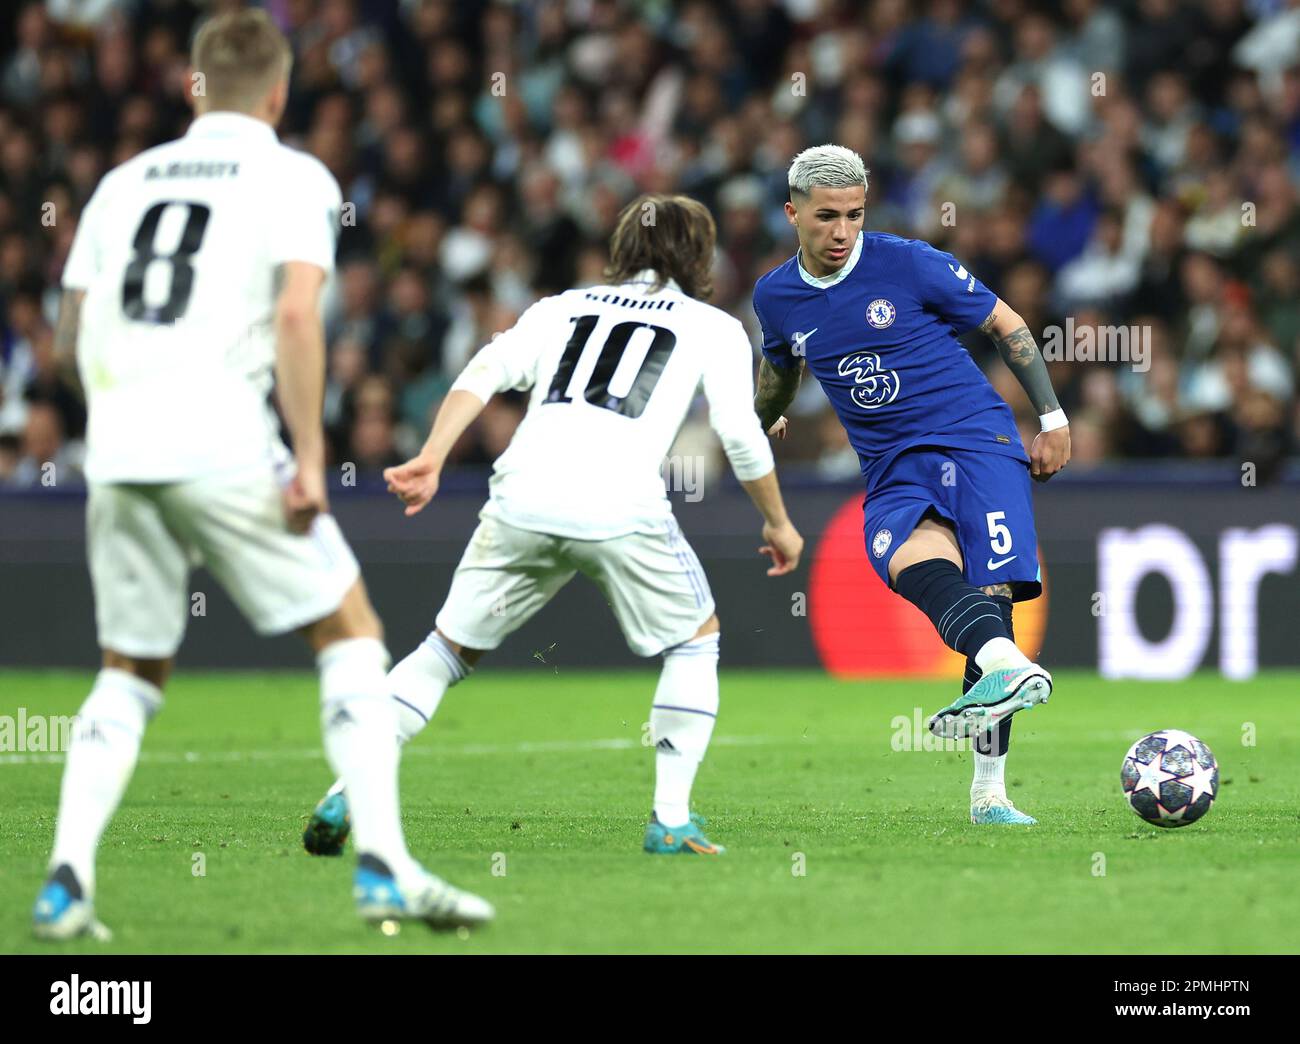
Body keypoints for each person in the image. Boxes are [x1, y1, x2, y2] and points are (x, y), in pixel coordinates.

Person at [32, 9, 491, 940]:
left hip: (119, 451)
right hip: (224, 437)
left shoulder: (120, 183)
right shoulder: (293, 175)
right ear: (279, 92)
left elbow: (69, 339)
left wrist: (124, 411)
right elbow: (294, 317)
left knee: (129, 668)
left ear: (193, 86)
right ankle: (382, 867)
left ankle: (65, 883)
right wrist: (311, 459)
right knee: (351, 633)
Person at [304, 194, 803, 857]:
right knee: (693, 642)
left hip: (522, 493)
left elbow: (486, 368)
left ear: (624, 248)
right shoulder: (712, 325)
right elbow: (739, 434)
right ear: (699, 255)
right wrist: (778, 522)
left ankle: (346, 789)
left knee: (443, 651)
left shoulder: (562, 305)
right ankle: (672, 820)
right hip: (618, 503)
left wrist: (432, 453)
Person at [752, 144, 1071, 825]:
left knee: (991, 591)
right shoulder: (776, 296)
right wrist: (766, 417)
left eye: (855, 216)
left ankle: (990, 794)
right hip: (893, 464)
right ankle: (1006, 666)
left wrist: (1052, 417)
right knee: (903, 561)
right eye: (827, 217)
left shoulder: (910, 262)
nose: (842, 233)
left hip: (976, 440)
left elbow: (1004, 323)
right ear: (792, 213)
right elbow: (781, 365)